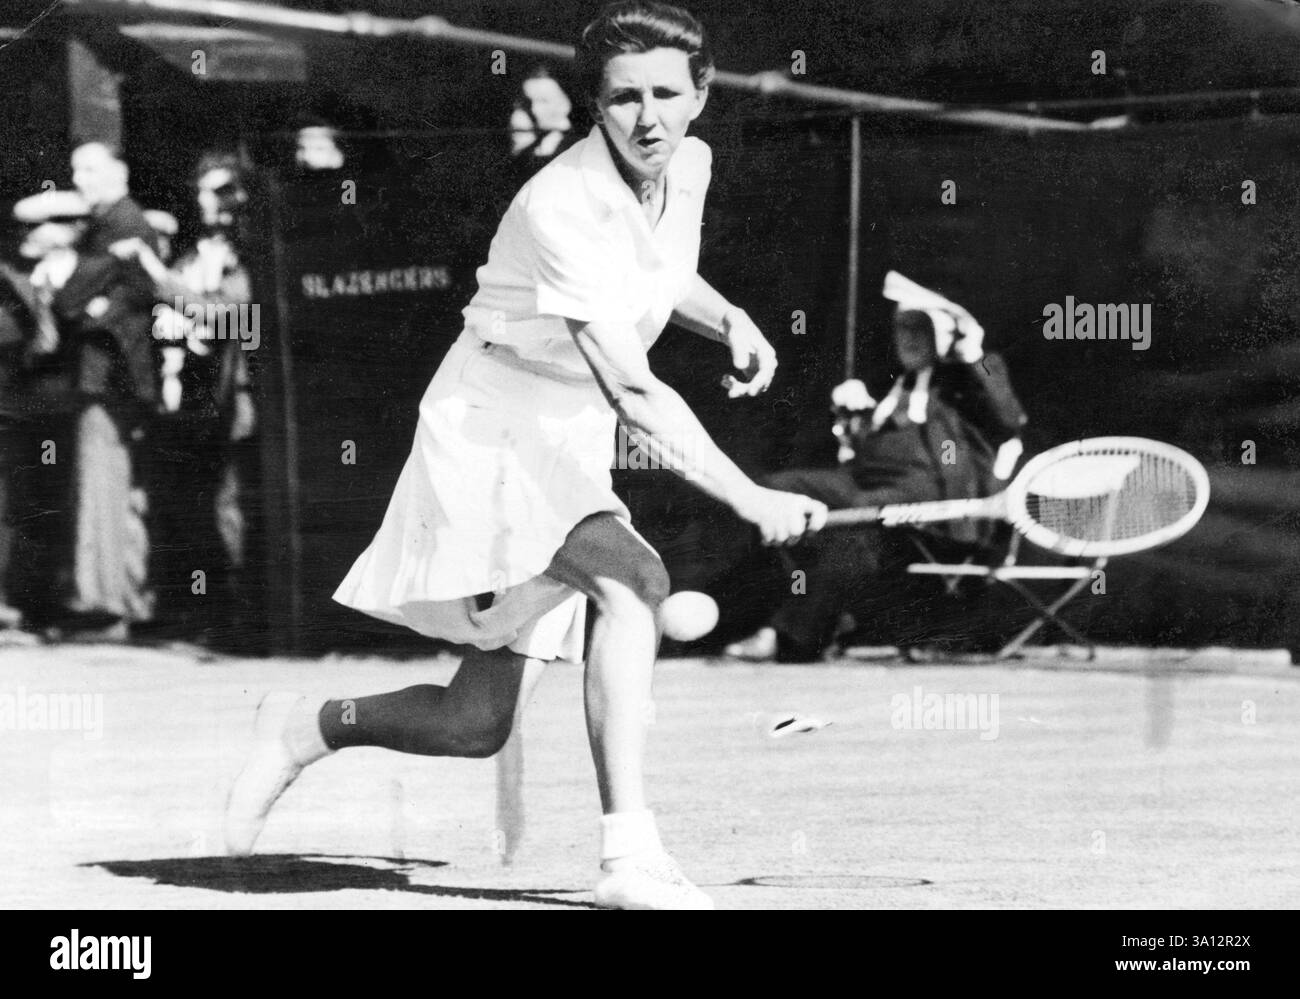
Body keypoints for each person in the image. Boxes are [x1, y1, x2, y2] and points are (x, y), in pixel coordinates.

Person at [225, 0, 827, 910]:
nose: (648, 116)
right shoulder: (560, 202)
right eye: (624, 98)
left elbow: (659, 273)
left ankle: (307, 725)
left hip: (565, 429)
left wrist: (730, 317)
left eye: (668, 92)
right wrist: (748, 493)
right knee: (637, 586)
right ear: (596, 106)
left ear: (702, 95)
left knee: (475, 723)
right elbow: (632, 389)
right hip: (493, 424)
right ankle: (629, 858)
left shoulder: (688, 166)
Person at [724, 278, 1028, 662]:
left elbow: (1008, 417)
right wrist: (858, 420)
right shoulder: (894, 382)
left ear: (945, 334)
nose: (909, 338)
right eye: (902, 327)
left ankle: (792, 636)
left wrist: (970, 351)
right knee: (770, 492)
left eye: (920, 328)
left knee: (857, 520)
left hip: (933, 490)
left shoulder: (966, 376)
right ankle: (811, 607)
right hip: (864, 481)